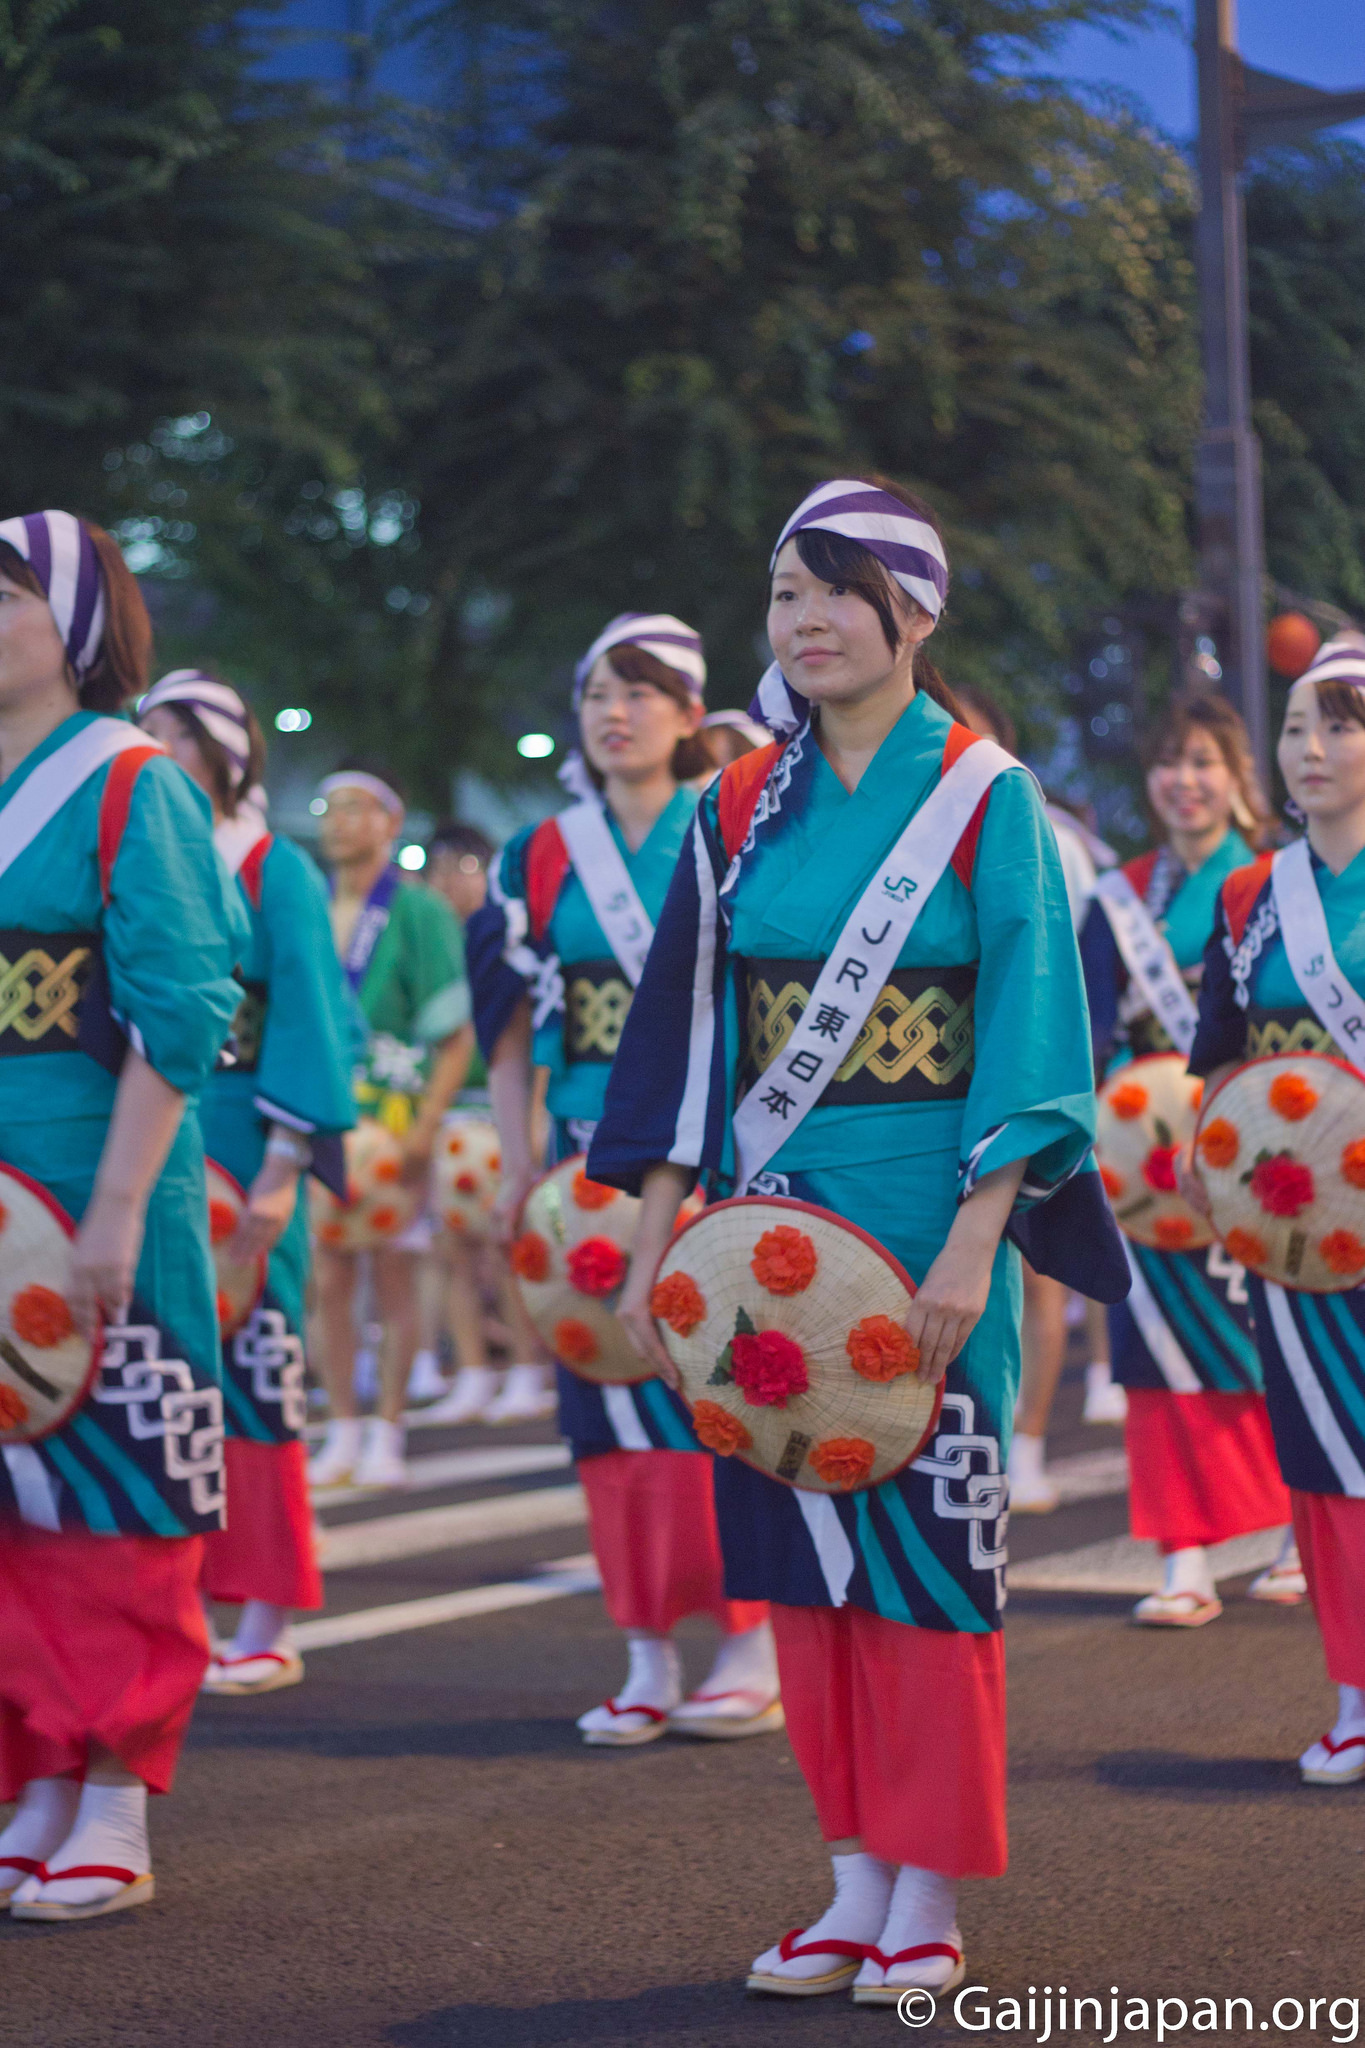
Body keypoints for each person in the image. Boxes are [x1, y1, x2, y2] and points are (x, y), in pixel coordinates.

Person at [589, 477, 1126, 1998]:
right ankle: (848, 1879)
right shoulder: (737, 802)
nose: (808, 620)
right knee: (797, 1554)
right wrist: (648, 1241)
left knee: (926, 1565)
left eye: (839, 590)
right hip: (765, 1218)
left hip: (922, 1218)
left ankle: (929, 1893)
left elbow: (1032, 1031)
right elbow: (678, 1036)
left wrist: (975, 1244)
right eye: (784, 594)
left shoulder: (984, 794)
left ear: (913, 613)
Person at [467, 613, 782, 1744]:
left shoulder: (734, 826)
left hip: (711, 1160)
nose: (617, 712)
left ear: (691, 713)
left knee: (719, 1400)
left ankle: (750, 1638)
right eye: (601, 691)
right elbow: (506, 1028)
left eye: (644, 692)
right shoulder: (536, 854)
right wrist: (517, 1167)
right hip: (584, 1171)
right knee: (606, 1414)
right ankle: (646, 1649)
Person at [0, 511, 244, 1919]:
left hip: (103, 1190)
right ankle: (38, 1770)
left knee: (117, 1496)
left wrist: (107, 1212)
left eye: (11, 596)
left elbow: (183, 1014)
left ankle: (110, 1800)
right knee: (14, 1500)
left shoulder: (131, 781)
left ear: (83, 625)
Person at [136, 671, 354, 1693]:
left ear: (225, 755)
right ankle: (181, 1603)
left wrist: (282, 1168)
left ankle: (266, 1609)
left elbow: (312, 1017)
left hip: (243, 1136)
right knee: (164, 1382)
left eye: (173, 737)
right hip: (152, 1141)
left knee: (259, 1379)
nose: (154, 754)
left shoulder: (277, 869)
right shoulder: (136, 852)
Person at [1187, 638, 1365, 1779]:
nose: (1310, 748)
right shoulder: (1250, 891)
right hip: (1298, 1225)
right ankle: (1353, 1688)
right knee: (1324, 1454)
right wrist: (1219, 1189)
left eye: (1339, 725)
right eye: (1296, 726)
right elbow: (1220, 1056)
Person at [1080, 691, 1296, 1624]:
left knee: (1281, 1347)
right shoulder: (1117, 897)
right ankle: (1184, 1556)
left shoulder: (1274, 883)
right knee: (1150, 1354)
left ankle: (1294, 1531)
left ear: (1237, 778)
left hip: (1265, 1149)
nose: (1184, 780)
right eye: (1169, 760)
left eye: (1205, 761)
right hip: (1142, 1162)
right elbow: (1082, 1031)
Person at [955, 685, 1124, 1514]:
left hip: (1034, 1072)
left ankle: (1025, 1445)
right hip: (938, 1092)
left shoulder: (1048, 838)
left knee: (1035, 1281)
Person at [307, 761, 474, 1489]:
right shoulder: (305, 904)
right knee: (327, 1280)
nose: (340, 821)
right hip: (322, 1115)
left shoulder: (416, 910)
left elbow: (454, 1033)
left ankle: (388, 1430)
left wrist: (426, 1124)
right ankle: (341, 1427)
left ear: (389, 822)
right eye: (329, 807)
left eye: (357, 807)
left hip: (394, 1114)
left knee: (395, 1278)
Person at [422, 819, 554, 1425]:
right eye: (436, 869)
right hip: (450, 1117)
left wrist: (530, 1121)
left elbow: (536, 1036)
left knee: (509, 1248)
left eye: (460, 869)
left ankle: (527, 1368)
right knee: (451, 1251)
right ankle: (472, 1372)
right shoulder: (436, 940)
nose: (446, 882)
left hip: (500, 1113)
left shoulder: (509, 934)